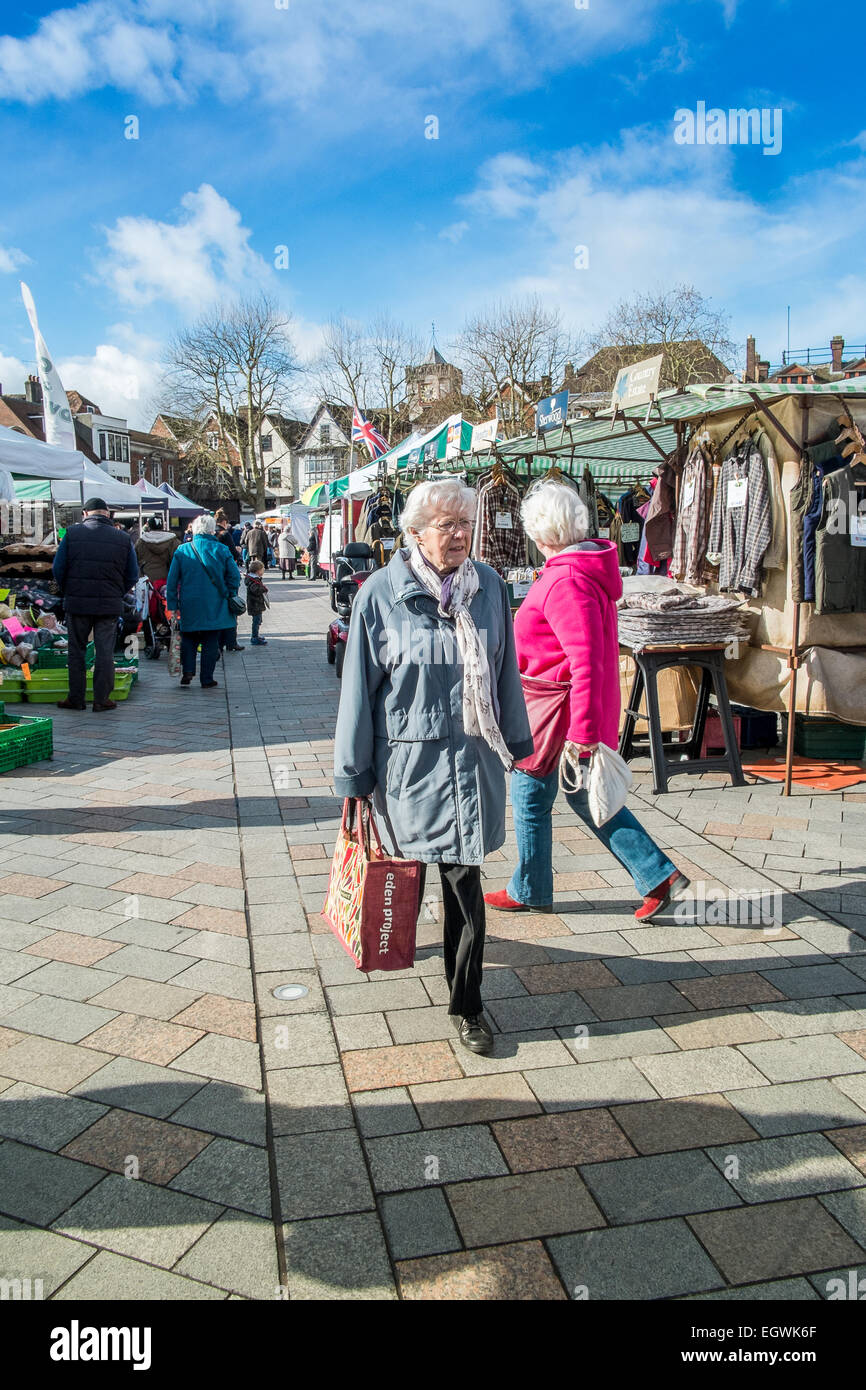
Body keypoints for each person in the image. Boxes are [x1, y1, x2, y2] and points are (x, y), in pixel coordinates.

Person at [334, 480, 532, 1056]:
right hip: (408, 769)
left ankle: (468, 1005)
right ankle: (396, 940)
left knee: (464, 887)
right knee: (407, 875)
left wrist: (518, 745)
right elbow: (357, 695)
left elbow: (505, 675)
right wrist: (353, 776)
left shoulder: (489, 588)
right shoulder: (380, 596)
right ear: (414, 533)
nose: (459, 535)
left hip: (471, 765)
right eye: (446, 525)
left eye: (465, 524)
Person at [483, 481, 687, 924]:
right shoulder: (578, 570)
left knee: (535, 792)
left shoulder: (565, 579)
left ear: (541, 534)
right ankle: (651, 877)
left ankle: (540, 886)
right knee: (569, 796)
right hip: (561, 708)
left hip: (556, 710)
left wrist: (586, 735)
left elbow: (588, 660)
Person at [52, 496, 138, 713]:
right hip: (108, 604)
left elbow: (58, 569)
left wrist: (68, 590)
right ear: (107, 514)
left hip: (77, 602)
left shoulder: (72, 534)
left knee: (77, 651)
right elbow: (132, 575)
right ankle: (102, 699)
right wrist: (117, 592)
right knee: (105, 651)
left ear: (85, 513)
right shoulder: (122, 538)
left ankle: (76, 698)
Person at [165, 514, 241, 689]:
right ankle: (206, 679)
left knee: (189, 637)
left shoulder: (182, 550)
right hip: (215, 602)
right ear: (212, 530)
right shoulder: (221, 549)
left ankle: (188, 671)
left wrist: (173, 605)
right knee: (210, 640)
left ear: (193, 529)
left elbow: (172, 581)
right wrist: (229, 592)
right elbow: (234, 576)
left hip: (189, 602)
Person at [134, 517, 180, 621]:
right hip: (166, 582)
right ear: (163, 526)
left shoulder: (141, 542)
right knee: (166, 612)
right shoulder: (173, 542)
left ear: (148, 526)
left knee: (148, 613)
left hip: (146, 582)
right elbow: (177, 562)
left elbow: (135, 560)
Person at [214, 512, 244, 653]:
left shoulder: (210, 533)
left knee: (217, 610)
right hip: (227, 575)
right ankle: (231, 641)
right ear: (224, 522)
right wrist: (238, 552)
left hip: (214, 577)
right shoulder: (225, 534)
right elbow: (233, 552)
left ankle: (218, 642)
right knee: (231, 609)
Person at [245, 560, 269, 644]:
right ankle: (254, 637)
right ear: (258, 571)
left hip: (256, 604)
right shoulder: (254, 580)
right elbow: (255, 590)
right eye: (262, 570)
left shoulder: (254, 579)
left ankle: (256, 635)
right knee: (256, 622)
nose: (263, 572)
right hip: (255, 605)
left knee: (258, 621)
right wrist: (263, 589)